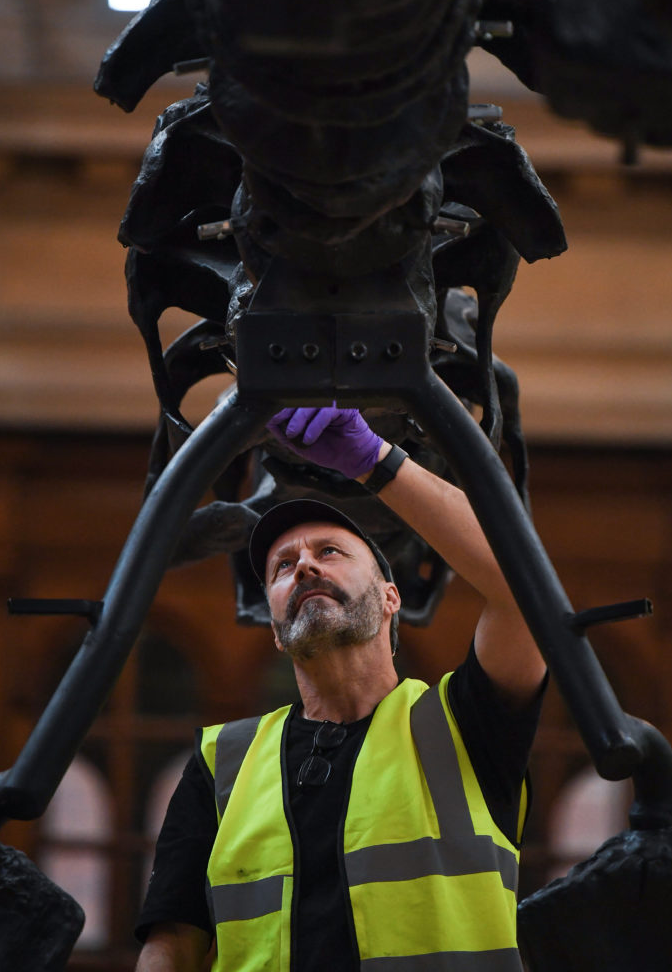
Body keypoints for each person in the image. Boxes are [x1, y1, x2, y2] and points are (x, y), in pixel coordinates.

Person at [135, 406, 547, 972]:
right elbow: (172, 945)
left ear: (389, 598)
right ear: (277, 632)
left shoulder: (465, 724)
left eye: (329, 551)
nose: (304, 566)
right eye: (282, 566)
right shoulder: (220, 764)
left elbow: (524, 586)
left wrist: (375, 462)